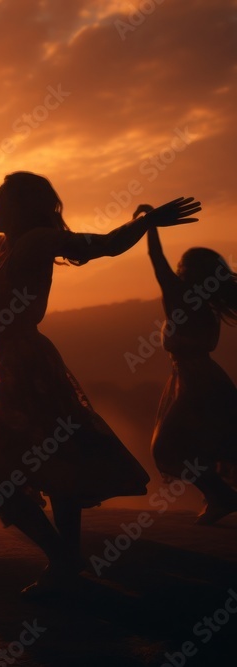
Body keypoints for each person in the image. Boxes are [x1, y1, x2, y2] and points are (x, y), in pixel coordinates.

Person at [0, 137, 201, 596]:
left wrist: (146, 222)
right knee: (50, 461)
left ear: (21, 206)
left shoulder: (39, 241)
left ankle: (63, 557)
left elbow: (102, 245)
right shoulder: (3, 248)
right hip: (7, 364)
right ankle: (66, 559)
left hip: (27, 365)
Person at [142, 204, 237, 525]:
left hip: (195, 382)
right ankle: (218, 497)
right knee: (209, 442)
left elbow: (157, 262)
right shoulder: (209, 306)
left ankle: (221, 496)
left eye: (182, 264)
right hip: (205, 379)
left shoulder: (180, 296)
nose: (177, 268)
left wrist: (148, 224)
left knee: (170, 446)